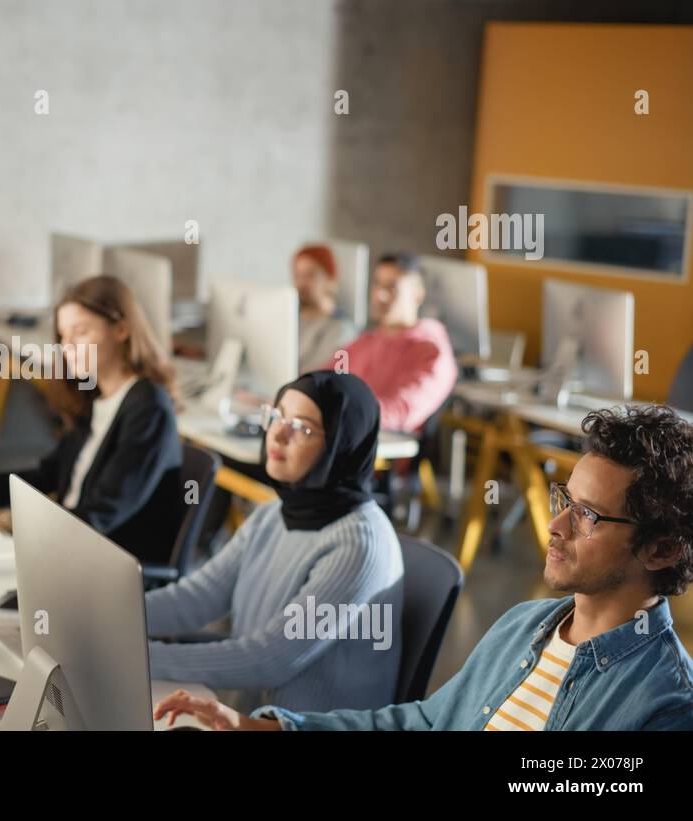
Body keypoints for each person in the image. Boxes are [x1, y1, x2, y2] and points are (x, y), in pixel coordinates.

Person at [156, 404, 693, 730]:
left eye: (589, 516)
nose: (556, 527)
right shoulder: (524, 627)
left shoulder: (666, 705)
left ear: (662, 550)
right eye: (564, 501)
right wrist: (261, 728)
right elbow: (423, 722)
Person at [145, 371, 403, 713]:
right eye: (277, 416)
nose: (277, 434)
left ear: (342, 446)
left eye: (303, 427)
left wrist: (140, 656)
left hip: (301, 722)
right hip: (249, 714)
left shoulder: (358, 546)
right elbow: (198, 597)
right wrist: (113, 617)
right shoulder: (274, 513)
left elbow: (269, 658)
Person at [0, 275, 184, 565]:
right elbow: (46, 476)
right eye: (63, 336)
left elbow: (97, 518)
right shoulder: (96, 399)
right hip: (68, 550)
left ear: (121, 329)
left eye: (80, 332)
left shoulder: (147, 407)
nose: (67, 347)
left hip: (103, 566)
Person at [323, 252, 457, 432]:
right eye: (377, 284)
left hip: (380, 448)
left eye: (392, 288)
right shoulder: (367, 341)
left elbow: (401, 411)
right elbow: (324, 377)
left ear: (417, 295)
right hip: (345, 429)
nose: (380, 295)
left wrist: (342, 411)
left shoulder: (431, 352)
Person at [291, 244, 356, 373]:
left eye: (310, 275)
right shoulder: (290, 321)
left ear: (330, 278)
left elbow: (320, 377)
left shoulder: (340, 329)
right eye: (297, 275)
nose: (301, 283)